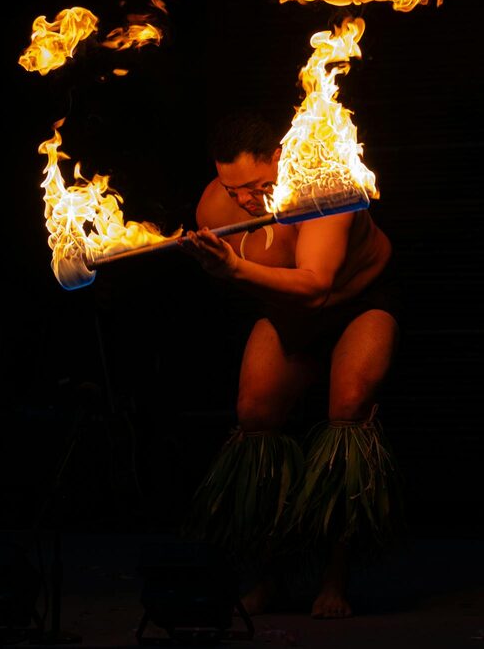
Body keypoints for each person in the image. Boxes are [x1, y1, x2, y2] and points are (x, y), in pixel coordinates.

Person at [178, 108, 404, 619]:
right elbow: (253, 278)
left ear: (280, 157)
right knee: (254, 413)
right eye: (232, 188)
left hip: (358, 301)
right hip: (289, 312)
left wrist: (233, 269)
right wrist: (224, 265)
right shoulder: (215, 206)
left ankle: (334, 581)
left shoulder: (324, 188)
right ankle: (267, 577)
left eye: (257, 185)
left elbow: (317, 286)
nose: (244, 200)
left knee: (348, 408)